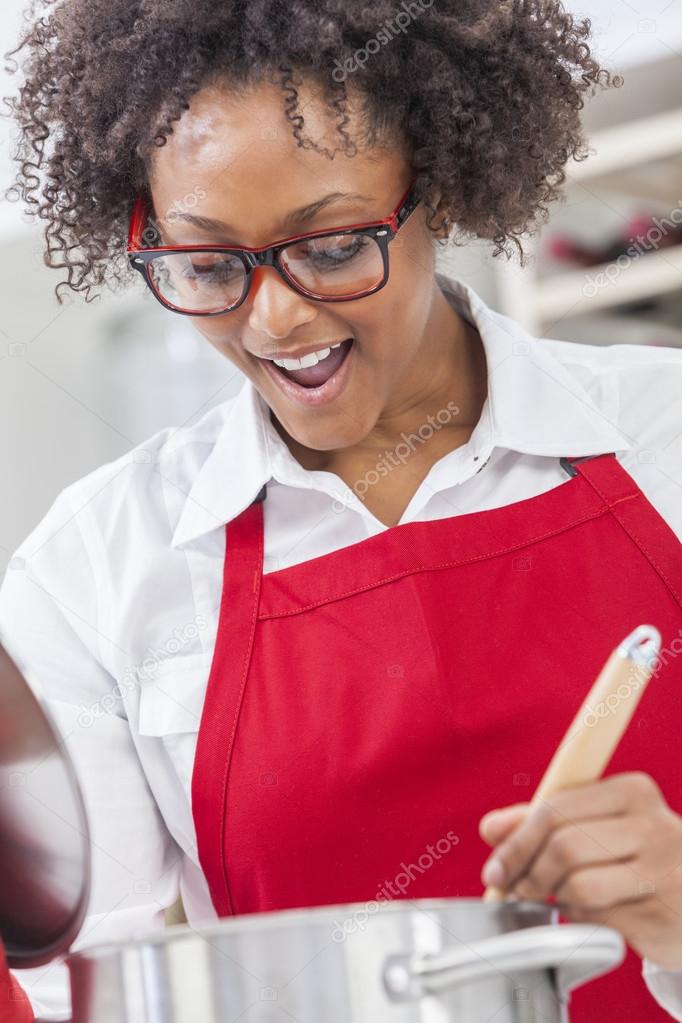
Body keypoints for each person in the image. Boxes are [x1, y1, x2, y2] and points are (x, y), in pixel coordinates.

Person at [2, 0, 682, 1019]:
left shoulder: (662, 435)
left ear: (437, 193)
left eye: (329, 246)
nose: (274, 318)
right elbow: (81, 987)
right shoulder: (96, 566)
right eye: (207, 265)